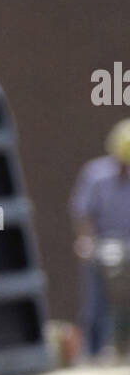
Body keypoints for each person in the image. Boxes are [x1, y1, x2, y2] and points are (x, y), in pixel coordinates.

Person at [69, 119, 130, 355]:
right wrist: (86, 241)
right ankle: (93, 352)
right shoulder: (96, 175)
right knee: (95, 302)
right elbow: (82, 213)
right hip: (103, 245)